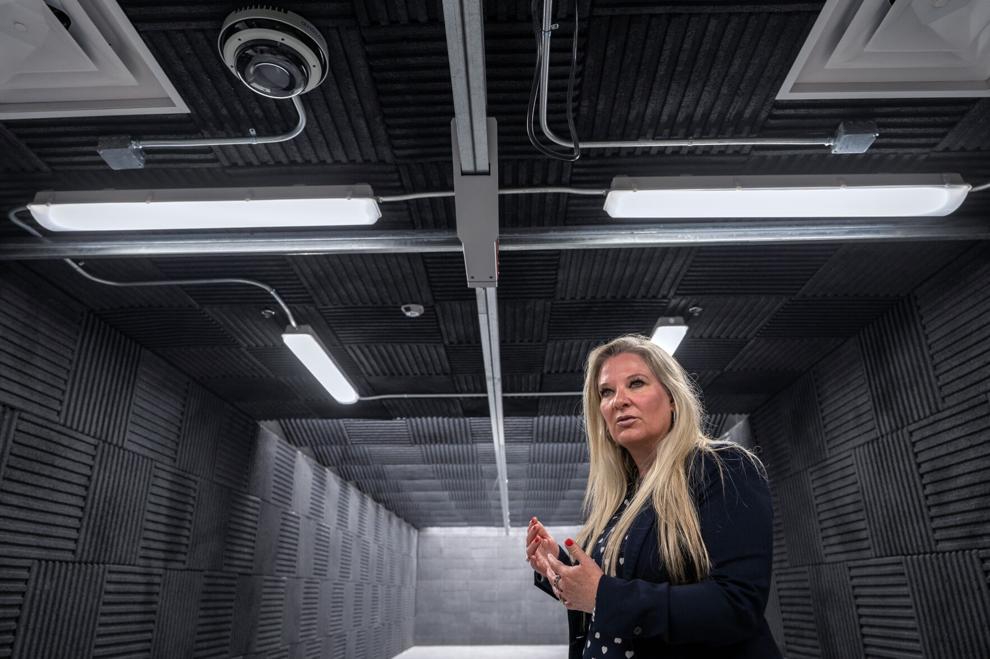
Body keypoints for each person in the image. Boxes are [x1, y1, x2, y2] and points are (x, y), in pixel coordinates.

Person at [526, 334, 780, 658]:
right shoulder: (623, 496)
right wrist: (558, 568)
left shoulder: (722, 468)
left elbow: (736, 605)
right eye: (606, 392)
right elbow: (609, 593)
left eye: (636, 383)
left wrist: (604, 596)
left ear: (672, 397)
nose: (619, 401)